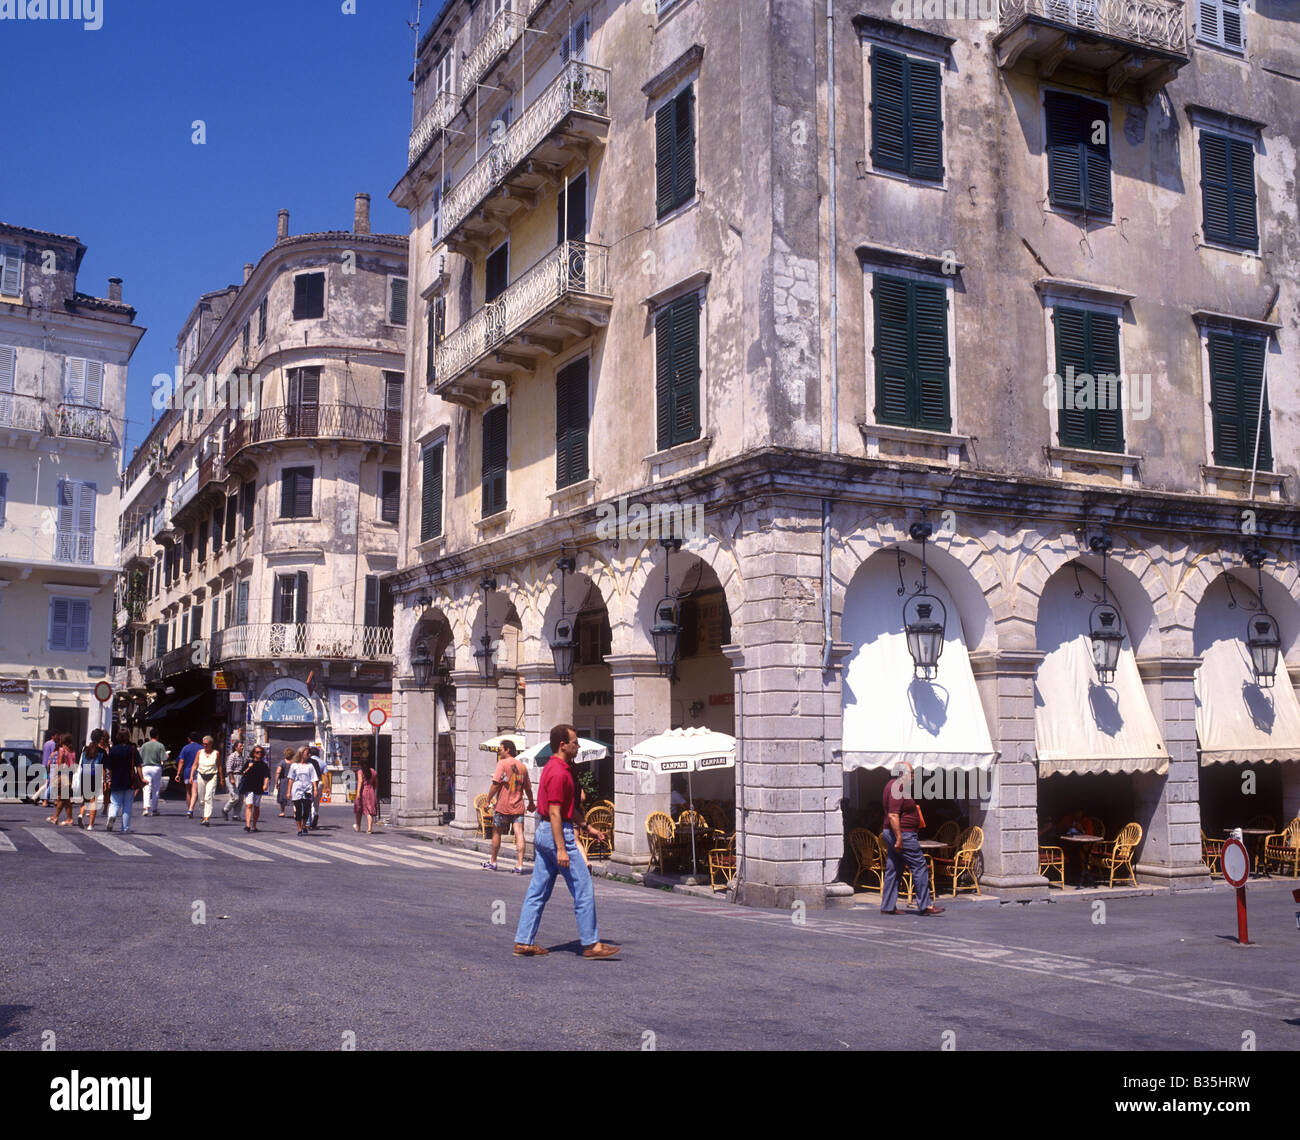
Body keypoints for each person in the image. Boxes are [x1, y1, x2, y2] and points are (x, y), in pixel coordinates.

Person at [512, 724, 619, 959]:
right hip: (557, 833)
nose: (577, 746)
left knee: (538, 890)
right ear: (563, 745)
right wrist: (562, 848)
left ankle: (523, 941)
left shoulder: (555, 767)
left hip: (544, 833)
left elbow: (567, 810)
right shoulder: (560, 773)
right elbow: (556, 812)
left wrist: (588, 827)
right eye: (575, 742)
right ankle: (591, 944)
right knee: (583, 887)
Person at [881, 762, 943, 916]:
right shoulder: (898, 787)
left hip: (893, 832)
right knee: (919, 865)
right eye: (912, 773)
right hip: (903, 833)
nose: (914, 776)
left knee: (894, 867)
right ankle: (925, 905)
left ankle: (888, 906)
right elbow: (893, 815)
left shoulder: (891, 785)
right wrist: (900, 838)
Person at [483, 740, 534, 873]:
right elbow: (528, 788)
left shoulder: (502, 763)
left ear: (507, 750)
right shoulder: (522, 767)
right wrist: (531, 803)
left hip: (502, 806)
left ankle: (493, 862)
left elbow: (495, 783)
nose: (500, 751)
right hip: (518, 805)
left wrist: (487, 800)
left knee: (496, 833)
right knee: (519, 833)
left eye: (501, 749)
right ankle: (520, 865)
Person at [103, 731, 143, 835]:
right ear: (128, 737)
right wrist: (142, 778)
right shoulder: (133, 749)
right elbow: (138, 765)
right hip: (129, 780)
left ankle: (112, 816)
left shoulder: (113, 750)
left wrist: (109, 779)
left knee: (115, 803)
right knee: (127, 805)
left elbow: (109, 767)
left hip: (116, 779)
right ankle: (125, 828)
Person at [76, 730, 107, 829]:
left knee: (86, 799)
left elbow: (81, 764)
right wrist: (105, 780)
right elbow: (104, 767)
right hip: (95, 774)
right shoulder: (102, 752)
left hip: (85, 773)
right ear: (100, 738)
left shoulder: (85, 749)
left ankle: (81, 814)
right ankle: (90, 825)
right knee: (93, 800)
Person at [288, 748, 319, 837]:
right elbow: (291, 779)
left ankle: (304, 825)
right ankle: (299, 828)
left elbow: (314, 778)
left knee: (306, 809)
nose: (309, 755)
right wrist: (288, 791)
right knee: (298, 810)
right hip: (297, 789)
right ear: (301, 754)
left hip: (307, 789)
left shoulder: (310, 766)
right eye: (307, 753)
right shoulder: (294, 765)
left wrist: (315, 789)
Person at [193, 735, 223, 826]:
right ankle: (203, 816)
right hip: (201, 775)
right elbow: (195, 764)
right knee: (201, 799)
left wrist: (221, 779)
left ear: (211, 744)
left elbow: (219, 766)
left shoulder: (216, 753)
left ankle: (207, 818)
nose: (204, 746)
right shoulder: (199, 752)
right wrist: (191, 776)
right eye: (203, 744)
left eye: (206, 744)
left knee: (208, 797)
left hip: (212, 776)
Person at [240, 745, 271, 833]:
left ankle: (254, 825)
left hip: (258, 787)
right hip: (249, 786)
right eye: (257, 752)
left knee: (256, 806)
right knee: (249, 805)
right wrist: (249, 767)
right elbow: (242, 773)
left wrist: (265, 785)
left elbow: (267, 776)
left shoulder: (264, 765)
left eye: (261, 752)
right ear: (253, 753)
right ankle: (248, 825)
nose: (259, 754)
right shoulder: (249, 762)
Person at [48, 734, 78, 827]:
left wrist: (55, 776)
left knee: (65, 798)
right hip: (70, 774)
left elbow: (59, 764)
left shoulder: (62, 750)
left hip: (63, 774)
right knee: (63, 797)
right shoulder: (72, 751)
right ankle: (55, 817)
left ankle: (69, 819)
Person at [138, 726, 167, 816]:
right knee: (156, 788)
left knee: (146, 788)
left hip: (146, 767)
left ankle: (146, 808)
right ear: (157, 735)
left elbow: (139, 758)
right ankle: (154, 809)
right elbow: (164, 759)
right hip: (156, 767)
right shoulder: (160, 745)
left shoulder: (144, 745)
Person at [177, 732, 202, 818]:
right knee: (195, 792)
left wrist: (178, 773)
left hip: (187, 772)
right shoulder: (201, 748)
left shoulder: (185, 748)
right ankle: (191, 809)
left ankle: (189, 809)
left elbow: (181, 761)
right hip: (197, 772)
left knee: (188, 791)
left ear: (189, 739)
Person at [353, 760, 379, 834]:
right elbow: (376, 782)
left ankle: (358, 826)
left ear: (361, 765)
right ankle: (369, 828)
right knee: (369, 810)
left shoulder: (360, 772)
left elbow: (360, 782)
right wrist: (373, 788)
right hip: (371, 791)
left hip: (363, 791)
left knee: (359, 809)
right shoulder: (373, 771)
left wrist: (358, 793)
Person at [222, 739, 245, 821]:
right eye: (240, 746)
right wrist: (232, 778)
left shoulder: (242, 756)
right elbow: (229, 768)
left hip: (240, 777)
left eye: (242, 746)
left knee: (241, 798)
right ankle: (225, 810)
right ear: (236, 748)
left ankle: (236, 815)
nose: (242, 747)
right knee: (235, 797)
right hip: (233, 777)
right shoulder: (232, 756)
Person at [274, 748, 293, 817]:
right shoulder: (294, 763)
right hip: (292, 781)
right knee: (293, 796)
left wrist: (276, 782)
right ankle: (295, 811)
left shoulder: (282, 762)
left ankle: (282, 811)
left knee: (282, 796)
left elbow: (278, 772)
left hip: (283, 781)